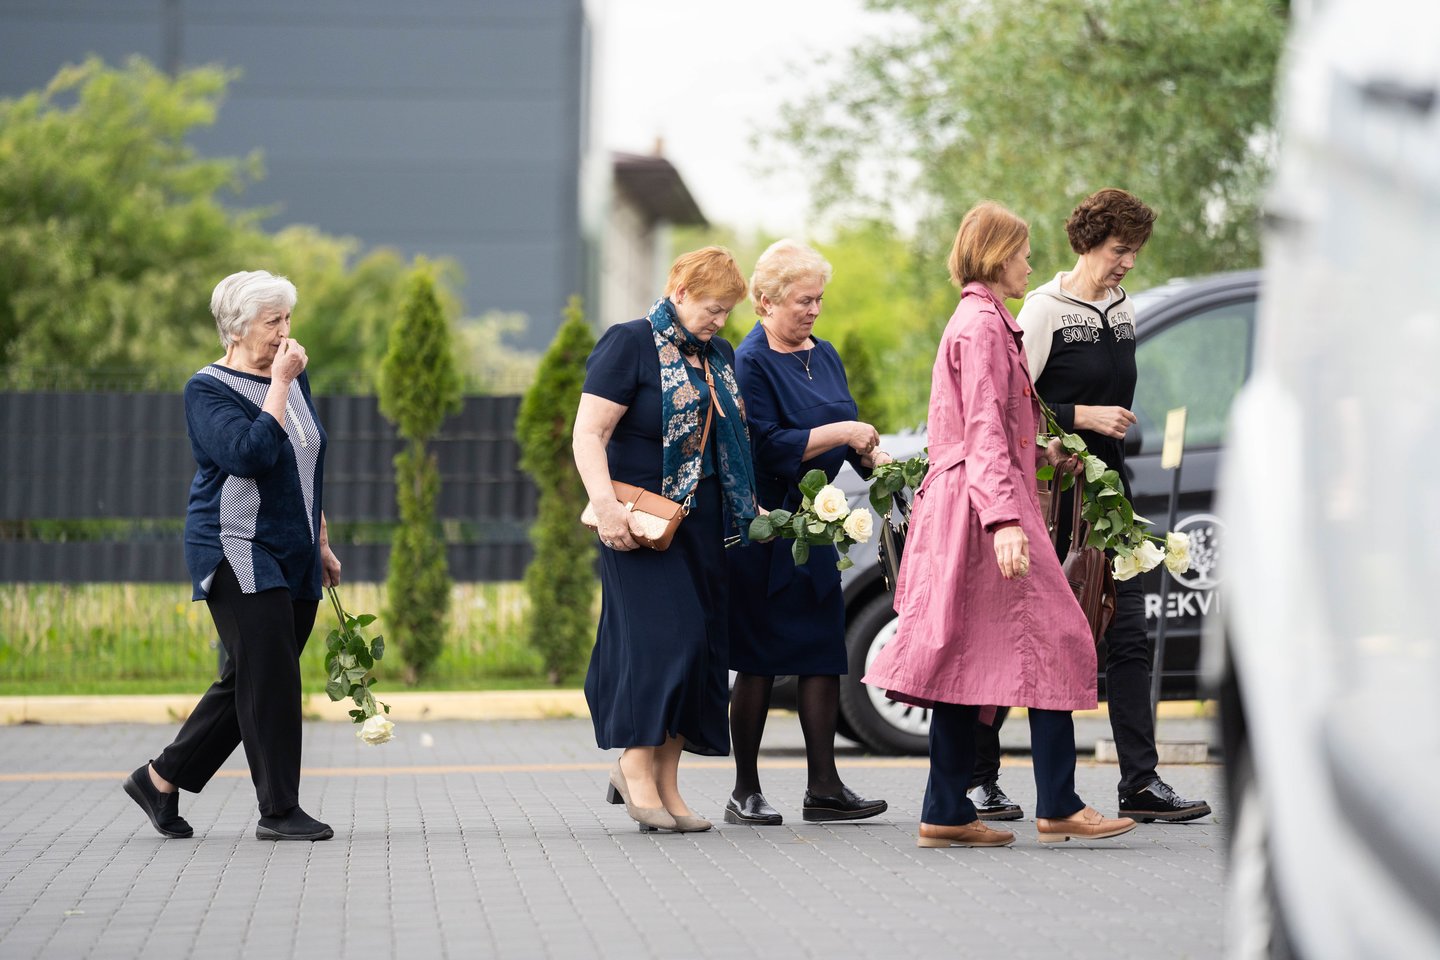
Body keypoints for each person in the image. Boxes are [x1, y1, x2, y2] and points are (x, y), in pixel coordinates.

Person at [863, 201, 1138, 848]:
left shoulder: (980, 320)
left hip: (969, 502)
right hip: (985, 507)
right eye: (1023, 255)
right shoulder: (985, 326)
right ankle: (1059, 803)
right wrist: (1006, 521)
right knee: (1060, 635)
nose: (1030, 267)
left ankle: (946, 810)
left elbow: (987, 426)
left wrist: (1044, 452)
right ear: (995, 256)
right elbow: (983, 428)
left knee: (966, 651)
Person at [968, 188, 1212, 825]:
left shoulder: (1122, 309)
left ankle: (1141, 781)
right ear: (1087, 243)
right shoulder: (1044, 310)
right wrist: (1082, 416)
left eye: (1134, 251)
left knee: (1128, 635)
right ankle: (979, 778)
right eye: (1119, 250)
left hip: (1110, 499)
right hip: (1050, 501)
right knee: (1025, 635)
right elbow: (1011, 405)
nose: (1128, 262)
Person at [123, 270, 341, 842]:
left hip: (295, 548)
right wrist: (279, 385)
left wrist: (320, 540)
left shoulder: (294, 373)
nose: (285, 332)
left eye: (287, 318)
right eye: (273, 322)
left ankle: (160, 779)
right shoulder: (208, 389)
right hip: (234, 544)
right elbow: (249, 455)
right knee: (271, 677)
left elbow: (306, 458)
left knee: (253, 673)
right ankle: (279, 810)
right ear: (237, 329)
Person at [573, 247, 760, 833]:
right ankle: (633, 766)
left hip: (703, 524)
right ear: (679, 291)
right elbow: (588, 434)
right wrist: (607, 510)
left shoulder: (718, 355)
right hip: (639, 524)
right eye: (712, 308)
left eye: (727, 311)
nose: (720, 321)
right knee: (665, 643)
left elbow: (728, 442)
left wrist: (748, 507)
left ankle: (668, 784)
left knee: (700, 650)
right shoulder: (629, 342)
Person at [723, 240, 889, 827]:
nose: (815, 310)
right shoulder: (750, 361)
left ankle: (825, 789)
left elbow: (845, 432)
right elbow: (766, 445)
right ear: (766, 301)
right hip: (768, 529)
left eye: (819, 299)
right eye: (803, 300)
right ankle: (745, 790)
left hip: (817, 526)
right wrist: (846, 430)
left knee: (822, 653)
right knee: (760, 661)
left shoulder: (827, 353)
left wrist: (871, 457)